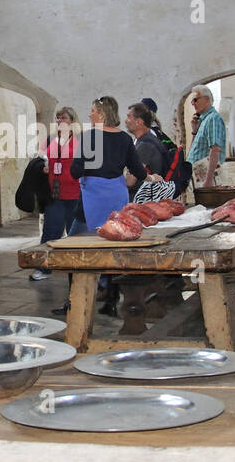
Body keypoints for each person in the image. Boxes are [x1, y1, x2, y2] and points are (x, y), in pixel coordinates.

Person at [70, 96, 147, 316]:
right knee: (114, 245)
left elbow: (75, 171)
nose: (90, 114)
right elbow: (138, 170)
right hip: (116, 197)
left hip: (92, 197)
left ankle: (74, 301)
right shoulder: (124, 138)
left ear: (102, 114)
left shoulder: (89, 137)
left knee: (73, 246)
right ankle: (111, 299)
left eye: (93, 110)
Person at [29, 106, 84, 282]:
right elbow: (41, 159)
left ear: (72, 120)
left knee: (76, 235)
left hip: (75, 192)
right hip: (55, 192)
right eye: (58, 118)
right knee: (50, 231)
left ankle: (80, 269)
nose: (60, 121)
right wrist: (43, 167)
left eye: (64, 118)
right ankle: (43, 268)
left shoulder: (80, 141)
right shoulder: (50, 140)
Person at [188, 84, 226, 187]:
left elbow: (215, 149)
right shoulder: (204, 120)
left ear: (206, 99)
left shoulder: (213, 119)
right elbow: (194, 151)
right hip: (200, 178)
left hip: (207, 180)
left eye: (195, 100)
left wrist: (209, 180)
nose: (192, 104)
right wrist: (194, 131)